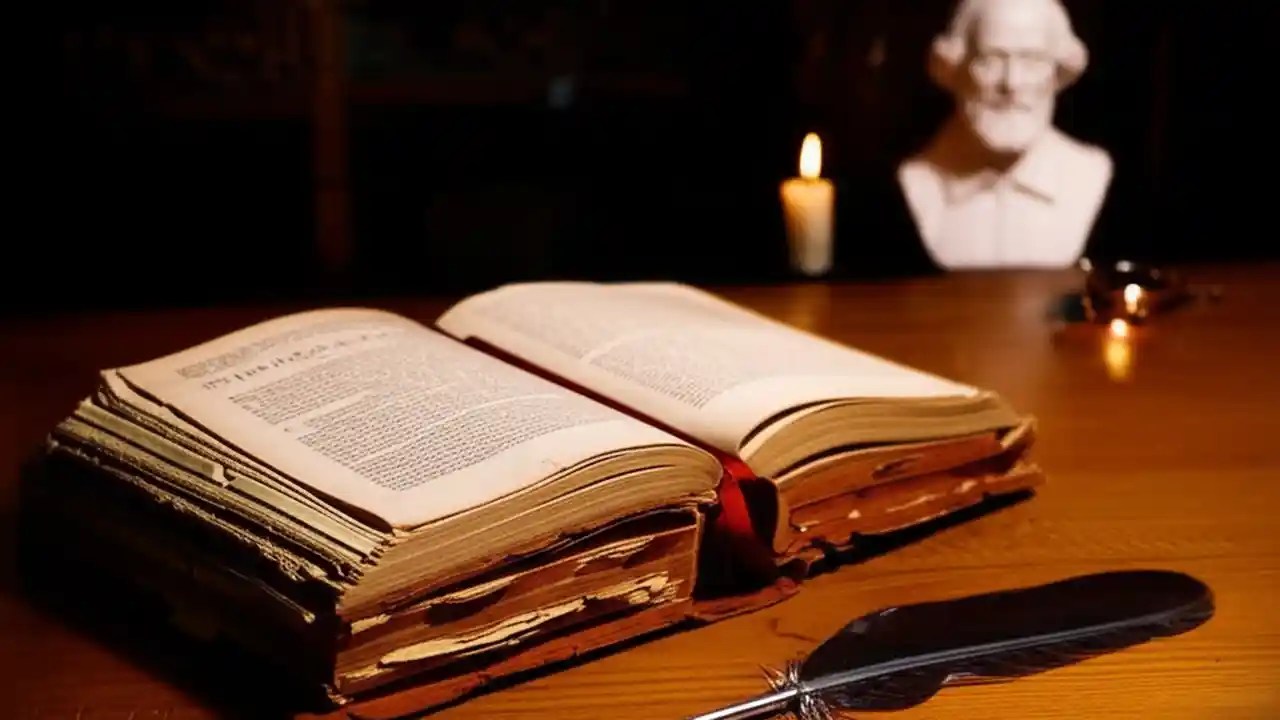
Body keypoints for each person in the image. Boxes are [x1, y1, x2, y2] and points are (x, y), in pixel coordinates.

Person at [842, 0, 1124, 276]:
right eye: (990, 60)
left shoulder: (1089, 174)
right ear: (954, 67)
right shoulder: (911, 182)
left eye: (1032, 61)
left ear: (1058, 72)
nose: (1011, 83)